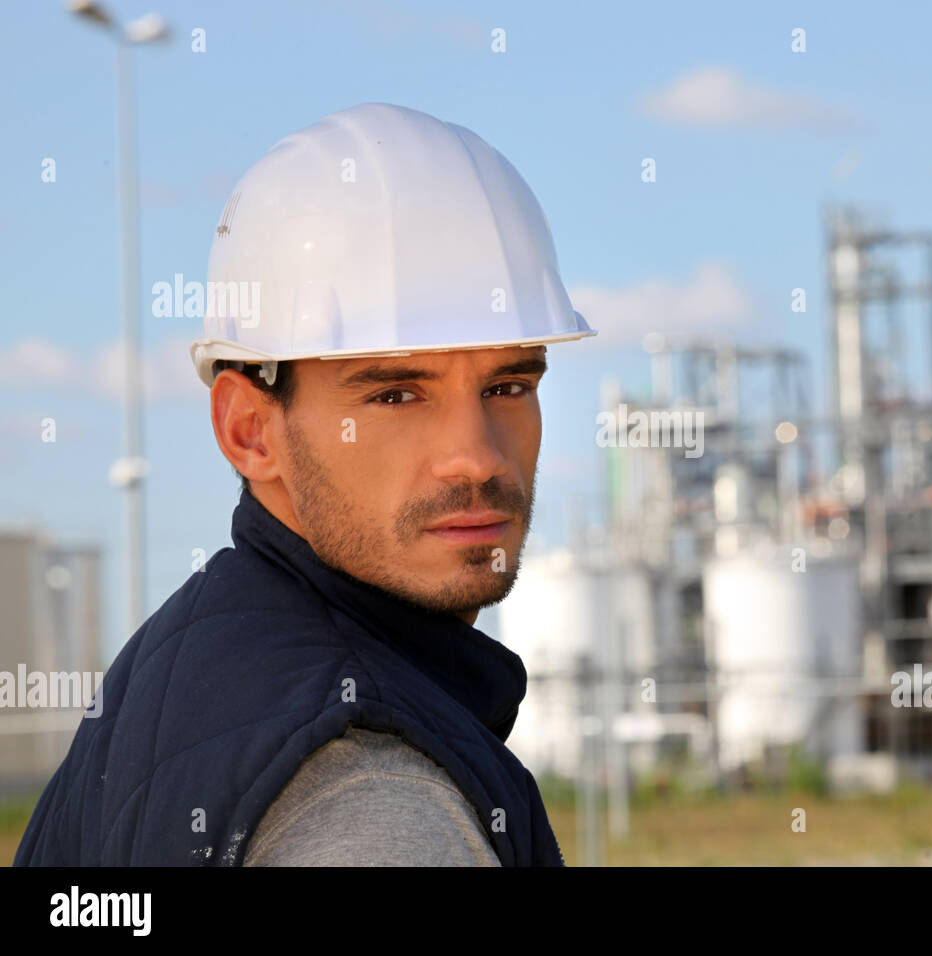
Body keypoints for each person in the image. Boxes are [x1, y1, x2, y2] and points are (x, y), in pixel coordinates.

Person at [15, 103, 596, 866]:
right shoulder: (372, 798)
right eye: (395, 395)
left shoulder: (187, 666)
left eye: (509, 386)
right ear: (251, 431)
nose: (477, 458)